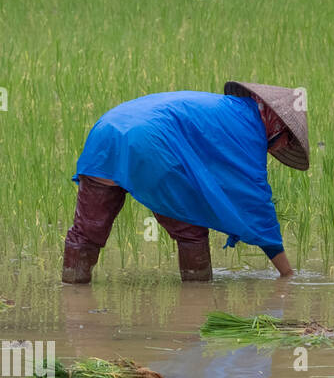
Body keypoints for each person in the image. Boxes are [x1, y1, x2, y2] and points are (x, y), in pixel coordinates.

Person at [63, 82, 308, 283]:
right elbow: (256, 203)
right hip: (148, 142)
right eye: (287, 141)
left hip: (105, 131)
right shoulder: (250, 129)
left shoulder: (228, 111)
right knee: (191, 227)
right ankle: (196, 298)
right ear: (278, 126)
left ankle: (74, 299)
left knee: (86, 233)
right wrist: (287, 274)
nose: (283, 147)